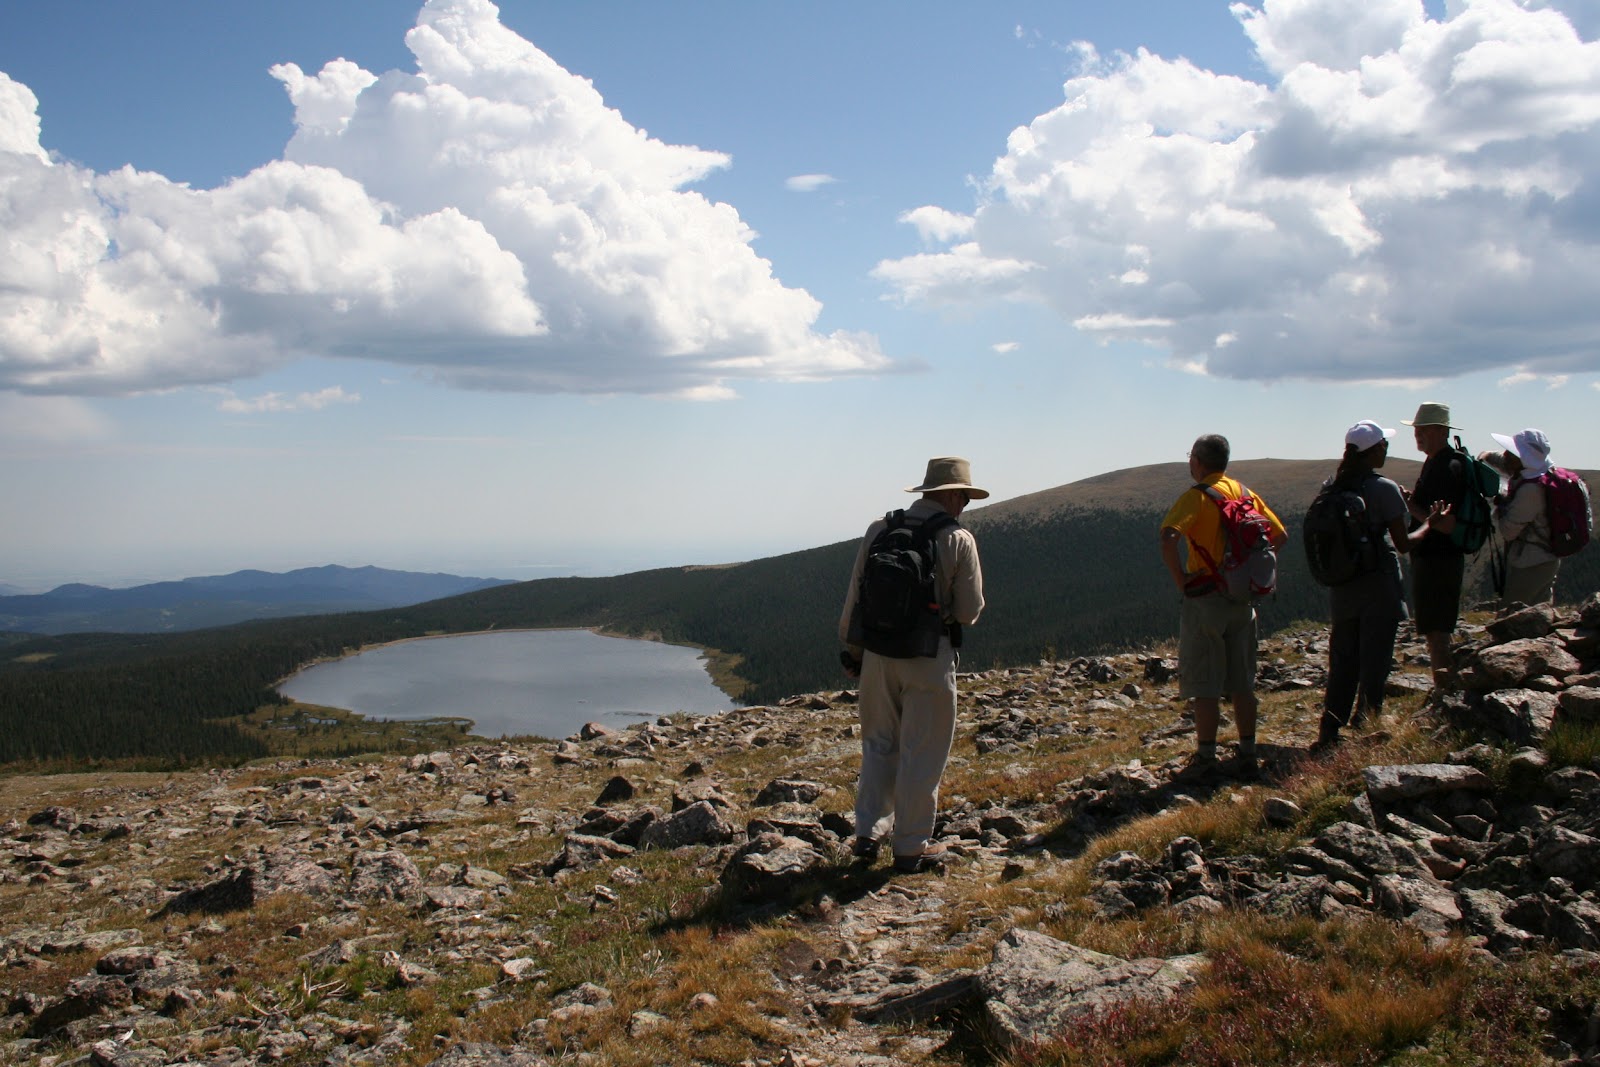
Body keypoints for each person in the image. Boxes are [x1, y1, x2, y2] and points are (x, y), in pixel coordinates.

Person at [839, 456, 986, 873]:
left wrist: (853, 654)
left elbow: (855, 600)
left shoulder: (879, 529)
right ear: (954, 495)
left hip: (878, 657)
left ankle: (867, 833)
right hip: (928, 656)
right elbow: (969, 610)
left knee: (879, 746)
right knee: (921, 753)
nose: (965, 506)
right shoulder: (957, 539)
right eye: (965, 498)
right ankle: (908, 849)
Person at [1159, 434, 1288, 773]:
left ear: (1198, 462)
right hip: (1243, 600)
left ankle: (1205, 756)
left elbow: (1168, 536)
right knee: (1243, 682)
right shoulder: (1245, 493)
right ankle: (1247, 750)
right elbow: (1279, 536)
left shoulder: (1197, 497)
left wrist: (1181, 580)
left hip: (1206, 598)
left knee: (1206, 683)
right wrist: (1248, 572)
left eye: (1191, 457)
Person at [1314, 421, 1417, 752]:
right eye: (1383, 445)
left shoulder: (1332, 486)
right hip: (1379, 586)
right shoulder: (1383, 488)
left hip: (1343, 588)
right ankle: (1368, 724)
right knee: (1375, 660)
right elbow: (1403, 543)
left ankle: (1330, 728)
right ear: (1374, 451)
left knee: (1343, 660)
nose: (1386, 450)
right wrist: (1434, 525)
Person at [1401, 402, 1463, 687]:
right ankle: (1445, 689)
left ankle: (1445, 694)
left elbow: (1446, 524)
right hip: (1436, 559)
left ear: (1441, 431)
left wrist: (1409, 504)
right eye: (1416, 430)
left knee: (1437, 633)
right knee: (1435, 631)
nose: (1418, 435)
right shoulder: (1438, 463)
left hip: (1439, 559)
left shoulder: (1447, 467)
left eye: (1423, 430)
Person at [1486, 428, 1562, 610]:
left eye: (1511, 452)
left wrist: (1500, 504)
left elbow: (1508, 531)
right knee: (1539, 614)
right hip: (1546, 559)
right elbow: (1505, 462)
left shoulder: (1531, 491)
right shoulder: (1544, 474)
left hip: (1530, 563)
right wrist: (1486, 456)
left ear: (1523, 458)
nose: (1505, 454)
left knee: (1513, 615)